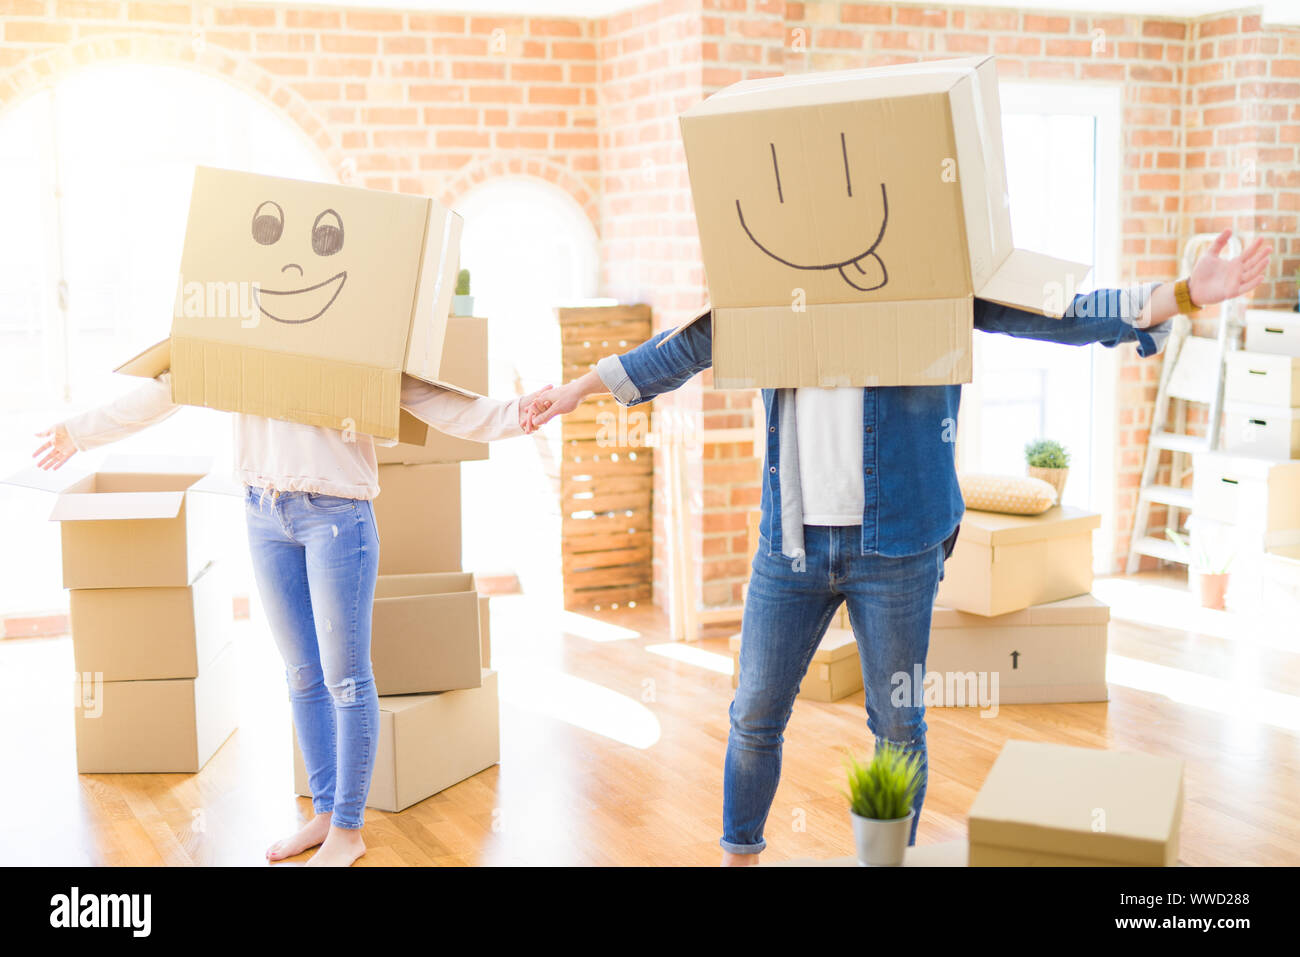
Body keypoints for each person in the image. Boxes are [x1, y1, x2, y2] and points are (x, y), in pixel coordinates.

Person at [528, 229, 1272, 865]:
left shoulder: (933, 280)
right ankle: (739, 854)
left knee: (897, 722)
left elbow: (1058, 313)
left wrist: (1182, 293)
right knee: (754, 712)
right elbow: (681, 348)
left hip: (899, 545)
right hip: (790, 546)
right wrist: (578, 388)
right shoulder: (771, 287)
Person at [34, 371, 551, 867]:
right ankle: (325, 814)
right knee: (302, 674)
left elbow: (422, 394)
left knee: (345, 678)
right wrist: (76, 432)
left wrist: (513, 413)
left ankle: (348, 830)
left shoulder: (348, 316)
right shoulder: (237, 319)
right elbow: (171, 387)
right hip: (262, 508)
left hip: (336, 513)